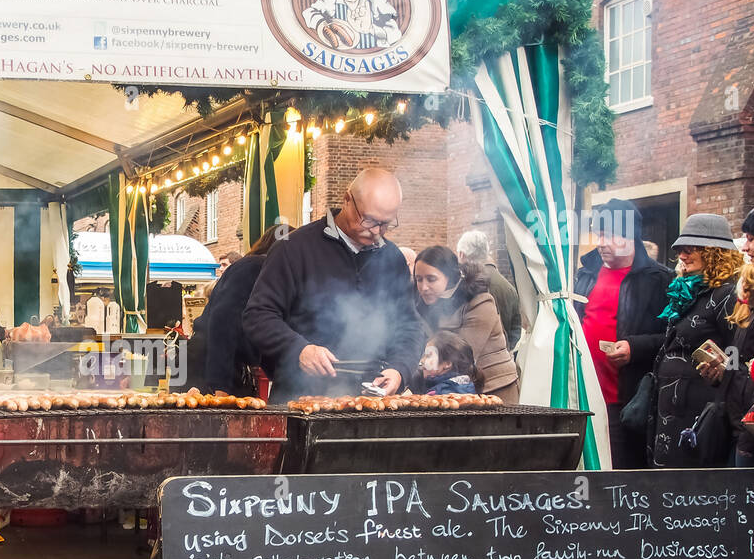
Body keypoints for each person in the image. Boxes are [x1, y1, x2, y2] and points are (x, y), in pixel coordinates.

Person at [244, 168, 426, 403]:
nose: (376, 232)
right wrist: (298, 349)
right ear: (347, 199)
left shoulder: (392, 258)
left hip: (370, 403)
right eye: (369, 220)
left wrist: (399, 369)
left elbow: (409, 325)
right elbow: (257, 315)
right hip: (300, 400)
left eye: (385, 224)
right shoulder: (294, 248)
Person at [572, 199, 672, 469]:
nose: (601, 242)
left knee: (619, 479)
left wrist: (634, 347)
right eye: (599, 233)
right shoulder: (585, 274)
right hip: (583, 397)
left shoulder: (658, 279)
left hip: (626, 403)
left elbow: (673, 338)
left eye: (609, 234)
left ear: (631, 237)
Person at [646, 214, 744, 468]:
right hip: (670, 408)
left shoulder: (727, 294)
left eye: (691, 249)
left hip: (700, 413)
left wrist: (724, 368)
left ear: (714, 253)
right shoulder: (688, 291)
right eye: (680, 249)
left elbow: (739, 349)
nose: (682, 255)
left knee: (691, 492)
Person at [701, 198, 754, 467]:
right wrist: (723, 367)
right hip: (738, 420)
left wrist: (747, 368)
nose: (745, 246)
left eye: (752, 239)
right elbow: (743, 351)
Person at [411, 245, 520, 403]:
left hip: (494, 388)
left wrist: (411, 376)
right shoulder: (423, 306)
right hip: (451, 389)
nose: (423, 287)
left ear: (449, 276)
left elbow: (458, 358)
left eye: (431, 279)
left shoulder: (479, 301)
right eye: (418, 279)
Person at [197, 223, 284, 396]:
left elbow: (264, 331)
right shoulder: (254, 267)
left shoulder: (265, 272)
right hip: (209, 364)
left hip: (230, 366)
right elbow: (222, 321)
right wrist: (220, 385)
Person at [456, 229, 524, 352]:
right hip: (502, 359)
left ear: (461, 254)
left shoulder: (465, 286)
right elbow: (516, 330)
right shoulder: (509, 288)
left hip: (475, 361)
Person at [418, 331, 479, 396]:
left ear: (447, 364)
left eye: (428, 356)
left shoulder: (440, 394)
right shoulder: (464, 387)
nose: (422, 360)